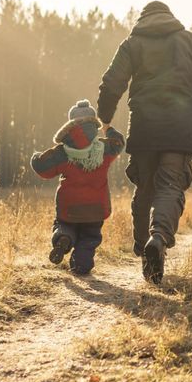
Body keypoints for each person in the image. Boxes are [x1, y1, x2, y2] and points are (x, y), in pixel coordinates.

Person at [97, 0, 192, 284]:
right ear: (170, 17)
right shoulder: (188, 40)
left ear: (143, 19)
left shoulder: (132, 44)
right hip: (179, 128)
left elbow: (112, 81)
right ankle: (158, 237)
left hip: (143, 127)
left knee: (145, 188)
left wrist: (105, 118)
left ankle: (144, 248)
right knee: (170, 186)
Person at [29, 99, 125, 276]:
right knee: (89, 238)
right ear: (93, 124)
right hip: (96, 207)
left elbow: (43, 169)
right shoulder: (104, 147)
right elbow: (119, 142)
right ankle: (81, 266)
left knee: (64, 224)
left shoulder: (62, 151)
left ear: (70, 124)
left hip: (69, 205)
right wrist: (108, 128)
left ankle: (63, 238)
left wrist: (35, 157)